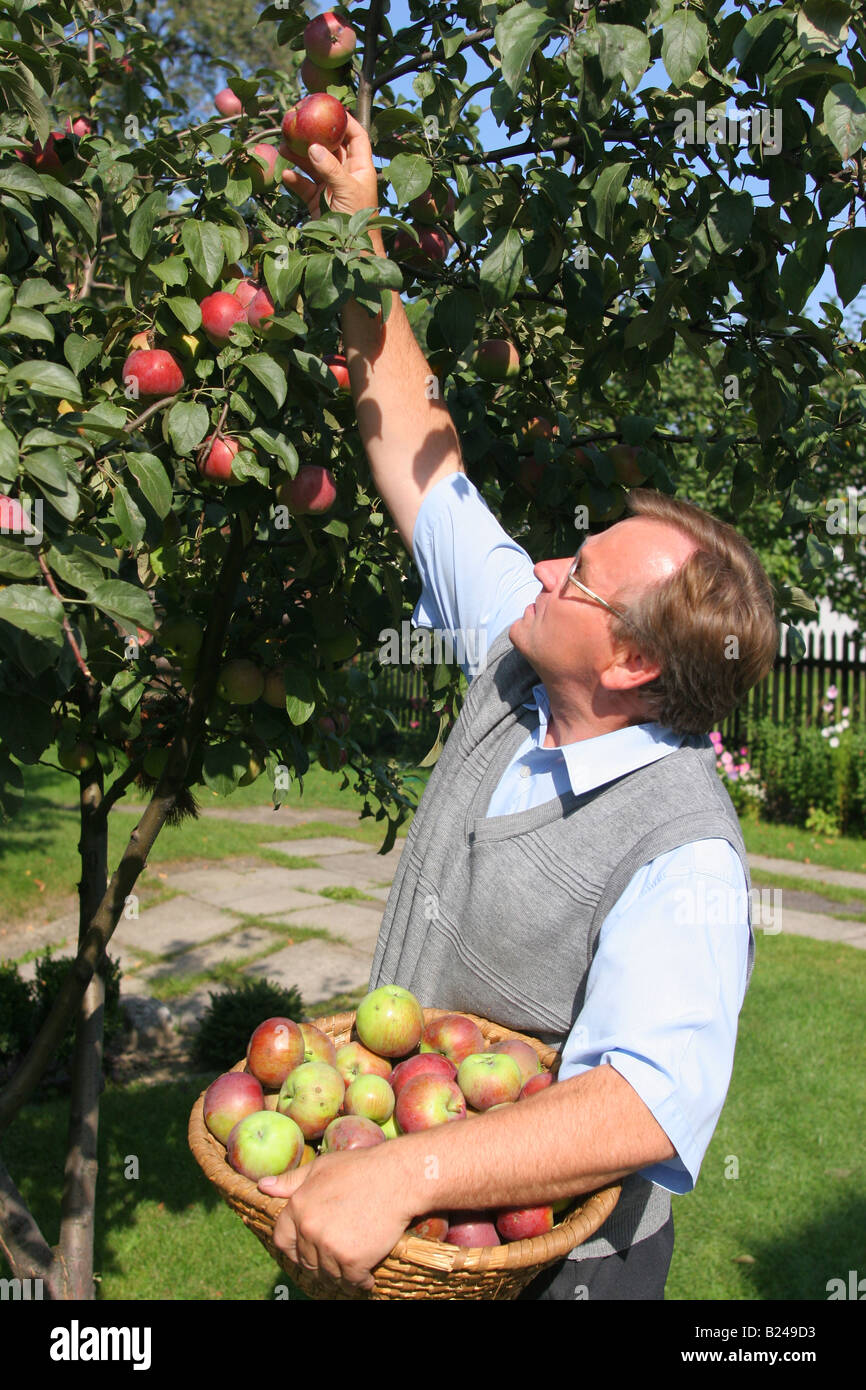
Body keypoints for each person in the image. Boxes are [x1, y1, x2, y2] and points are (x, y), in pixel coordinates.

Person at [258, 116, 780, 1299]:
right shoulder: (525, 662)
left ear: (633, 664)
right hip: (391, 1230)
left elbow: (646, 1099)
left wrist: (410, 1170)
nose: (543, 568)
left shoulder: (681, 849)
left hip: (544, 1277)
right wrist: (355, 220)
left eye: (578, 573)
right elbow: (422, 457)